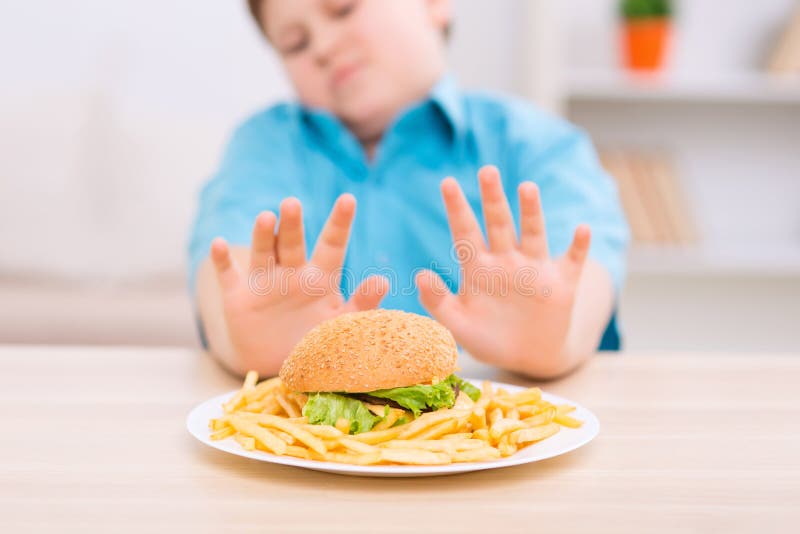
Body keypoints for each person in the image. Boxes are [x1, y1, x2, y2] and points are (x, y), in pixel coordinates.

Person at [188, 0, 629, 380]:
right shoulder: (265, 148)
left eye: (343, 9)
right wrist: (246, 344)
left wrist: (553, 341)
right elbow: (226, 281)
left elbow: (583, 287)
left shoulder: (539, 145)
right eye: (295, 44)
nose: (322, 47)